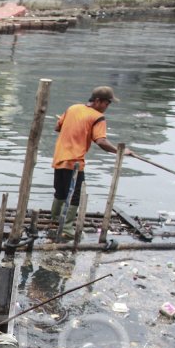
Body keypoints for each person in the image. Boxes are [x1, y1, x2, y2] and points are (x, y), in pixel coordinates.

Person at [50, 86, 133, 239]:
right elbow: (101, 141)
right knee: (75, 196)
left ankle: (54, 218)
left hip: (59, 158)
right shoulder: (97, 117)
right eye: (107, 103)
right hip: (74, 162)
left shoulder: (73, 108)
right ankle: (67, 229)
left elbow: (57, 127)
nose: (107, 107)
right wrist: (120, 151)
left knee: (60, 191)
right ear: (97, 101)